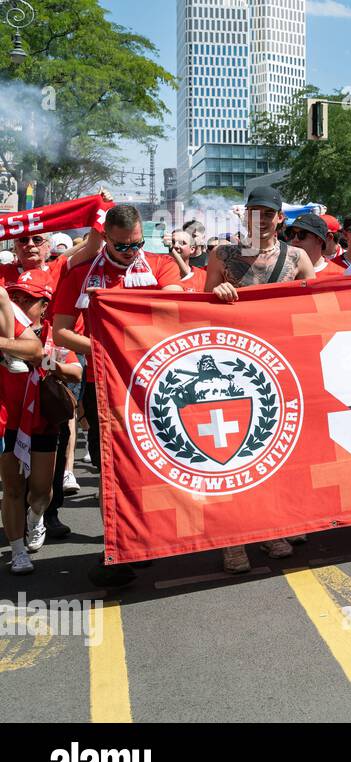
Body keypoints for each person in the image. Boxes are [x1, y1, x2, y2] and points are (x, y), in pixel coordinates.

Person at [52, 204, 185, 587]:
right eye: (124, 246)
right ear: (105, 238)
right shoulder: (80, 273)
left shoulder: (160, 265)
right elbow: (61, 332)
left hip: (157, 384)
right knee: (112, 468)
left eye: (138, 243)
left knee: (158, 463)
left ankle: (152, 539)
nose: (132, 252)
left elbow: (176, 309)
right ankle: (117, 546)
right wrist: (103, 346)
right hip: (104, 383)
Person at [205, 187, 318, 572]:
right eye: (254, 212)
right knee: (235, 457)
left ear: (279, 218)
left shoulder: (299, 257)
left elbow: (315, 306)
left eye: (268, 213)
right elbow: (202, 311)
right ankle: (232, 541)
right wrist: (217, 293)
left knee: (274, 457)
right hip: (233, 369)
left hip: (280, 368)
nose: (261, 219)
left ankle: (269, 528)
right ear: (244, 216)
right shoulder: (221, 255)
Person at [2, 270, 81, 574]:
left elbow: (76, 373)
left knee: (40, 492)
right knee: (12, 488)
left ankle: (36, 517)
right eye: (16, 295)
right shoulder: (5, 324)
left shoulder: (53, 334)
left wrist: (45, 361)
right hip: (7, 417)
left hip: (43, 420)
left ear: (44, 304)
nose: (20, 301)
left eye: (28, 298)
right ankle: (18, 550)